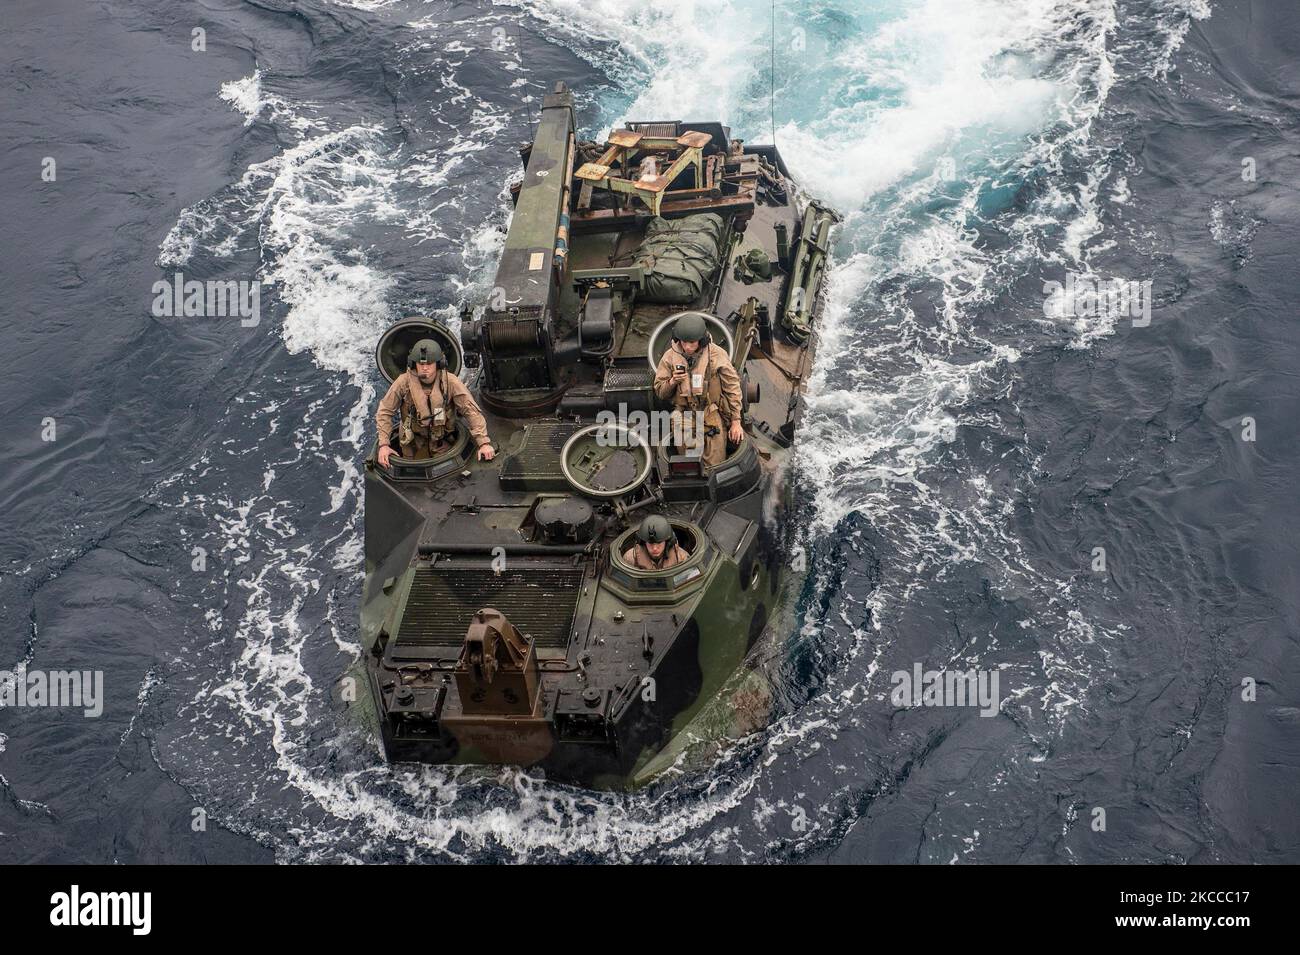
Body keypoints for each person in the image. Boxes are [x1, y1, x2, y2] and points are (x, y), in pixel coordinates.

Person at [375, 339, 494, 467]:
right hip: (413, 442)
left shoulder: (450, 383)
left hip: (441, 441)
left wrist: (484, 443)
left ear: (439, 363)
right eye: (420, 364)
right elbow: (385, 411)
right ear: (413, 364)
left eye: (430, 363)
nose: (425, 368)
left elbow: (470, 410)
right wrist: (384, 445)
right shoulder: (403, 383)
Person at [652, 313, 743, 467]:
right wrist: (673, 381)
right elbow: (660, 391)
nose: (687, 347)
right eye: (684, 342)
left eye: (692, 342)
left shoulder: (716, 355)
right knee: (689, 465)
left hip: (711, 414)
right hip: (684, 415)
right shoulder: (669, 357)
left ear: (701, 340)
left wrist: (736, 421)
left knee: (714, 465)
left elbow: (732, 387)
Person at [622, 515, 690, 570]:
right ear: (643, 543)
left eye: (659, 543)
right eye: (650, 543)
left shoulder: (681, 557)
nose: (654, 548)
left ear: (668, 542)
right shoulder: (630, 558)